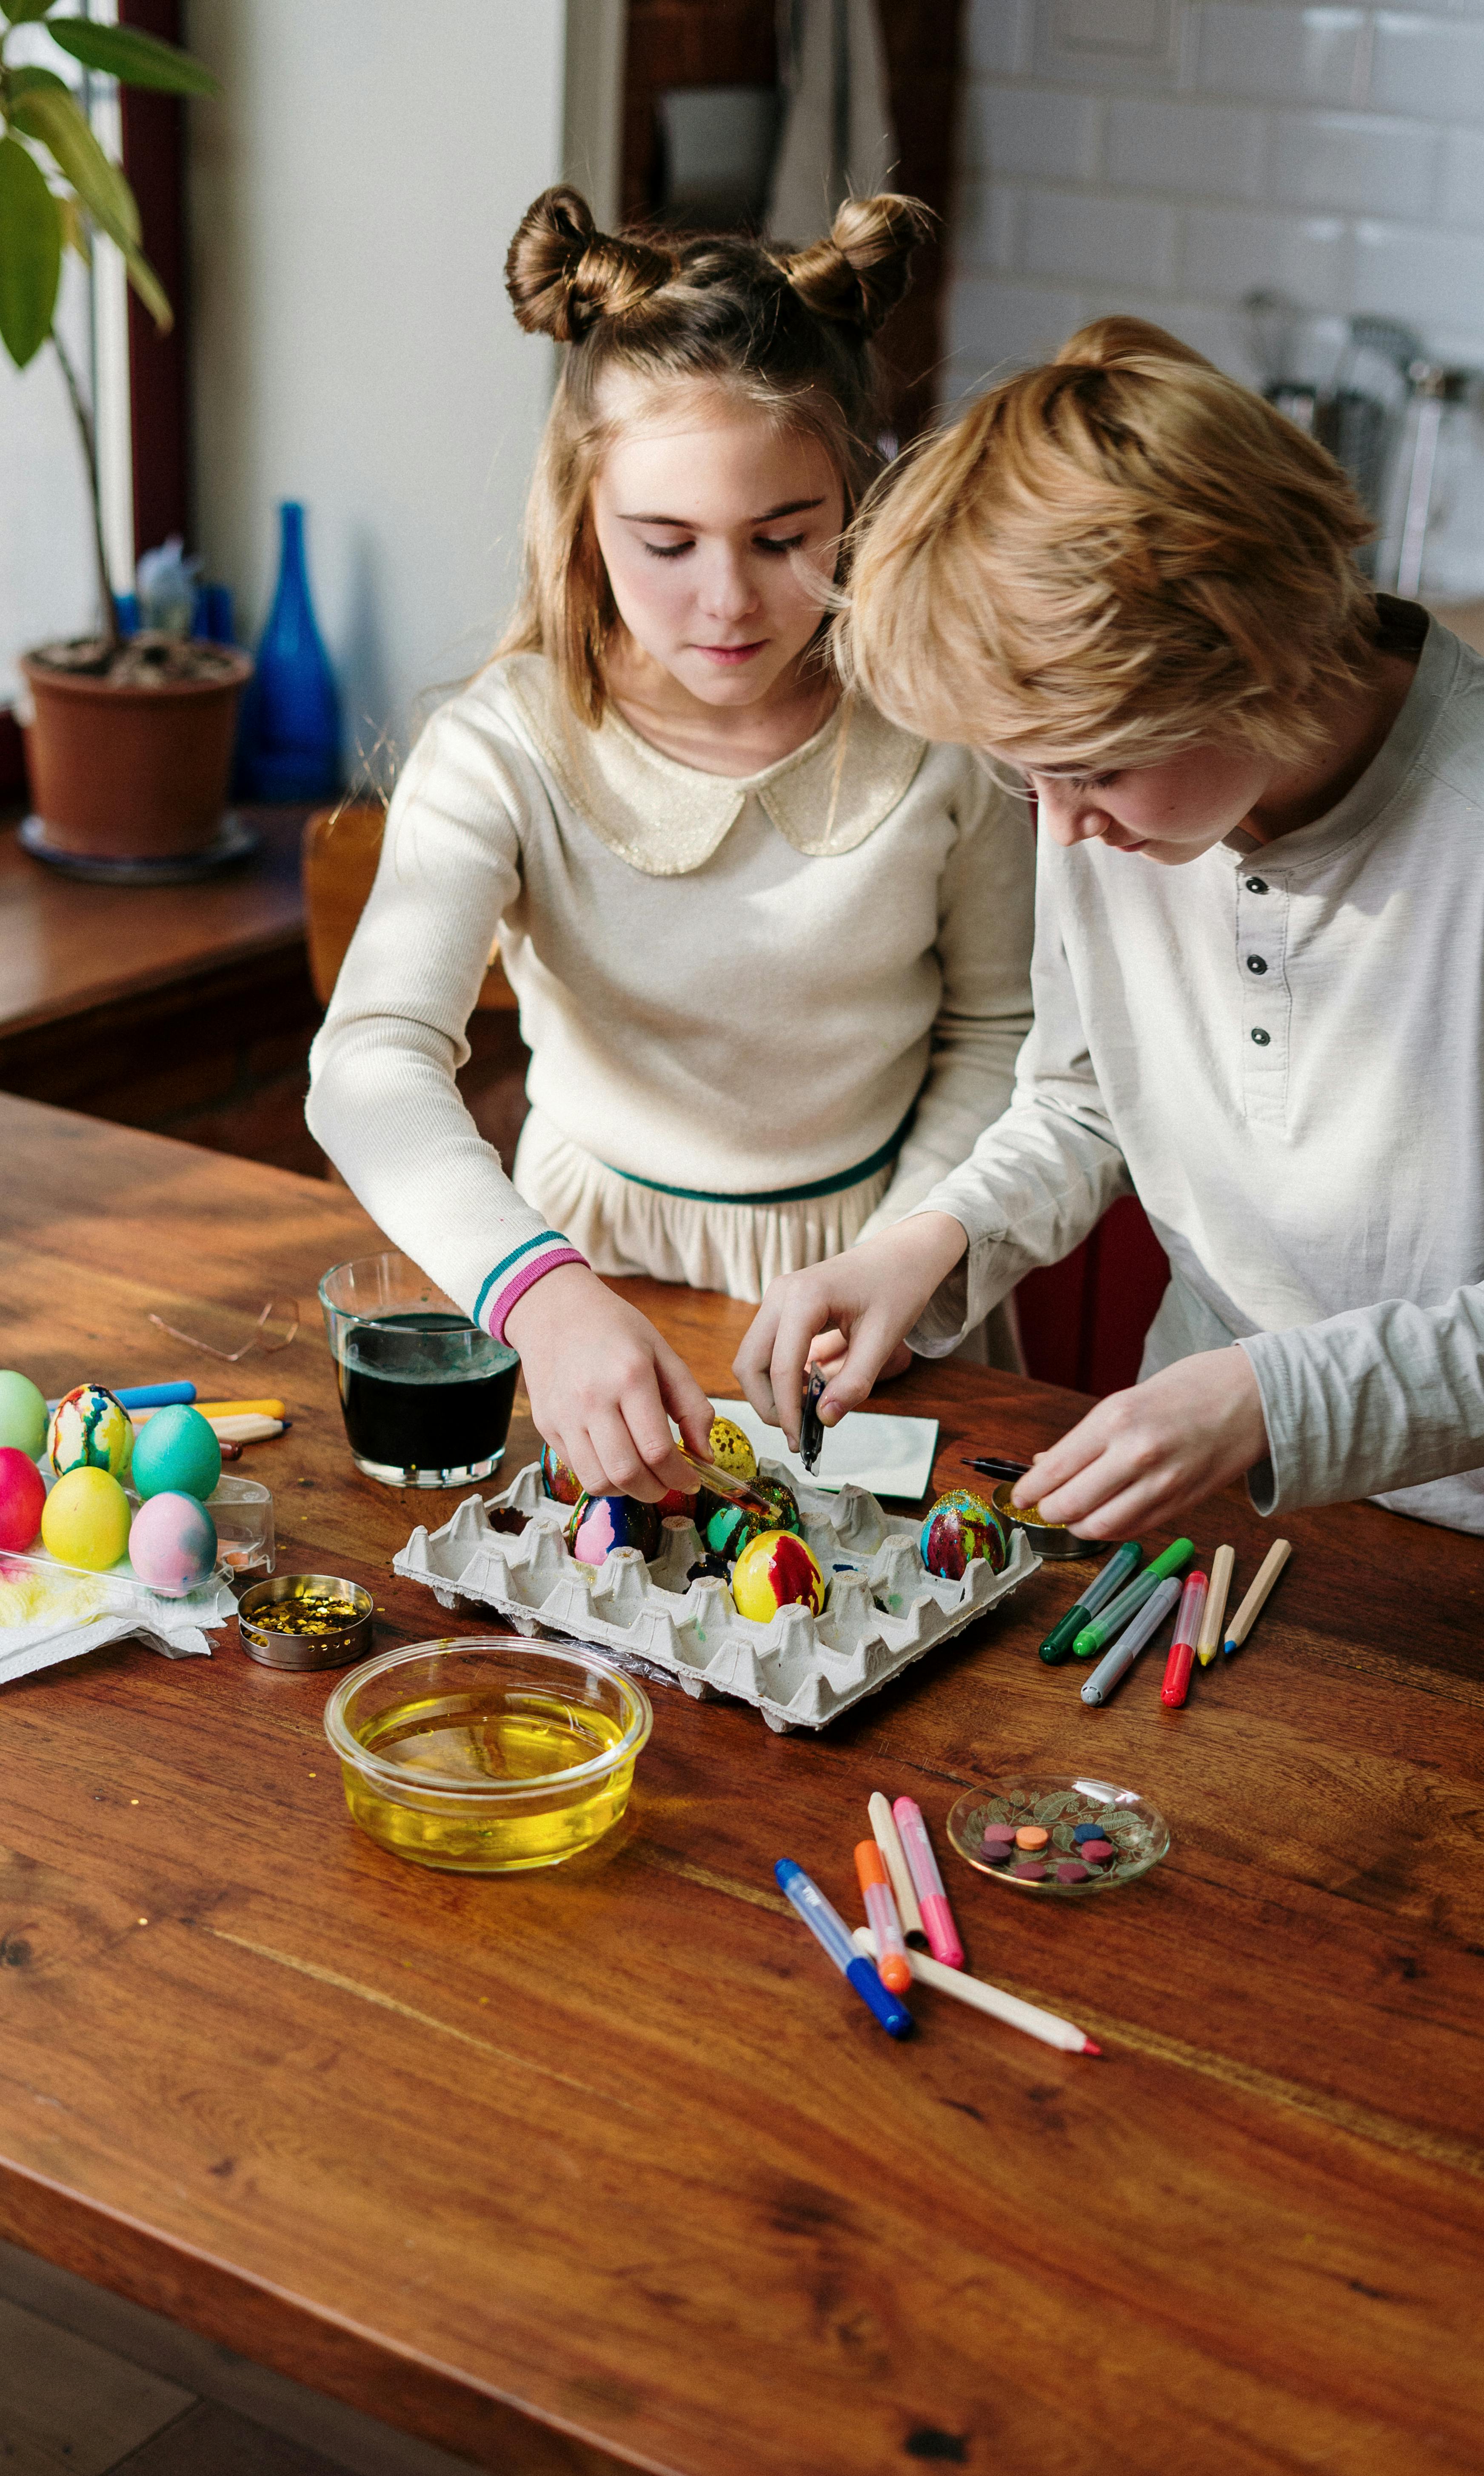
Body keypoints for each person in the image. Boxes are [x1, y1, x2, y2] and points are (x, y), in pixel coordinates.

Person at [736, 318, 1484, 1562]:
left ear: (1249, 663)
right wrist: (933, 1242)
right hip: (1205, 1489)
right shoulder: (1112, 795)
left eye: (1093, 773)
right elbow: (1090, 1097)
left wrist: (1277, 1398)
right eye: (1029, 781)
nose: (1066, 828)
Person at [308, 189, 1036, 1502]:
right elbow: (368, 1063)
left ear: (857, 499)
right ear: (582, 515)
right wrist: (540, 1298)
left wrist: (913, 1247)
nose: (727, 600)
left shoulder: (939, 731)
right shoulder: (508, 746)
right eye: (664, 542)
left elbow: (999, 1034)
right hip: (579, 1279)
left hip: (879, 1296)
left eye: (783, 540)